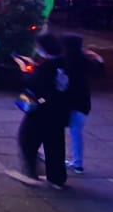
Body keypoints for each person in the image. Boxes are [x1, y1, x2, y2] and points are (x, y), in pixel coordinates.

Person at [11, 32, 72, 189]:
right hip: (60, 111)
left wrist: (24, 69)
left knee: (27, 139)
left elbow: (34, 83)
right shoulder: (65, 63)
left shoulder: (47, 66)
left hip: (42, 111)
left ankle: (30, 172)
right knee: (55, 144)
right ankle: (57, 178)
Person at [63, 34, 103, 176]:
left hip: (65, 100)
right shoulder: (85, 61)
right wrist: (96, 56)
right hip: (82, 101)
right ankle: (78, 163)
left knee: (57, 129)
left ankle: (58, 158)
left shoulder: (63, 61)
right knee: (76, 131)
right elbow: (100, 68)